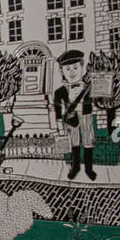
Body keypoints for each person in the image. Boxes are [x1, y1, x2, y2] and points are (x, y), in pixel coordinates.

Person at [52, 49, 97, 181]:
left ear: (82, 67)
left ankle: (89, 169)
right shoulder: (59, 91)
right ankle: (75, 167)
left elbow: (99, 101)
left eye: (75, 68)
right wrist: (59, 126)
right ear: (62, 71)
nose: (72, 72)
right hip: (71, 120)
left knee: (88, 142)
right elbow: (57, 110)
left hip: (86, 116)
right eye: (67, 69)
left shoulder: (89, 87)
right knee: (74, 143)